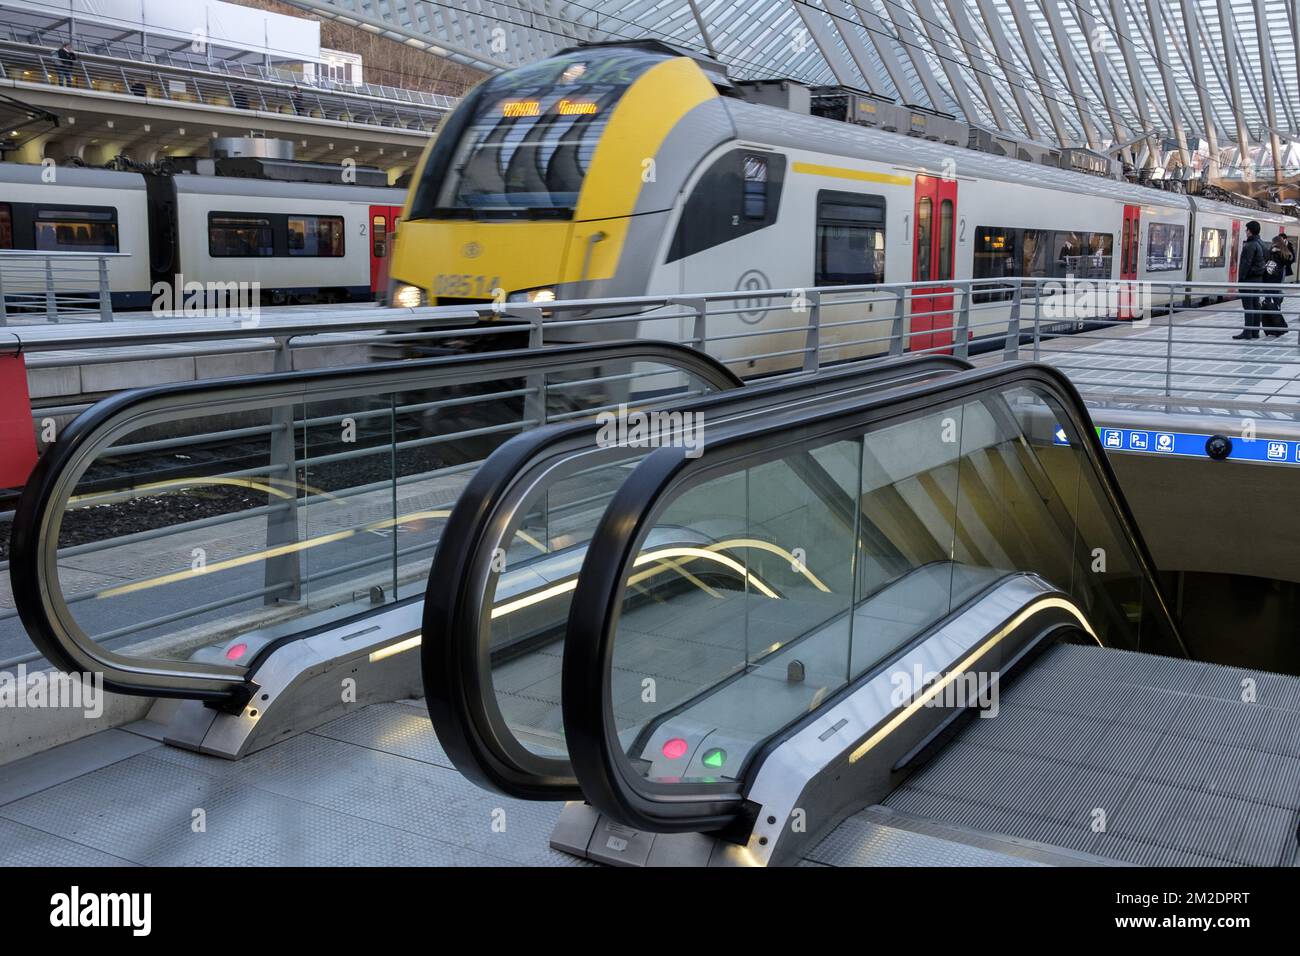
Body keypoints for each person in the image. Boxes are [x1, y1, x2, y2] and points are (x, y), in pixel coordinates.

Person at [1234, 220, 1268, 339]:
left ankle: (1248, 332)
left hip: (1249, 280)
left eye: (1246, 229)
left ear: (1250, 231)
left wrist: (1241, 280)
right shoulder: (1262, 243)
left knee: (1248, 306)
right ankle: (1255, 331)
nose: (1245, 232)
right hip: (1258, 280)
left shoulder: (1250, 245)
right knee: (1255, 305)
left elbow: (1245, 264)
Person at [1260, 234, 1294, 336]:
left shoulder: (1274, 252)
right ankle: (1278, 326)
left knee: (1268, 301)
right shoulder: (1285, 253)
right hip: (1277, 279)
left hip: (1269, 279)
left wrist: (1272, 252)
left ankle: (1272, 327)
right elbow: (1290, 260)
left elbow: (1266, 263)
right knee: (1275, 301)